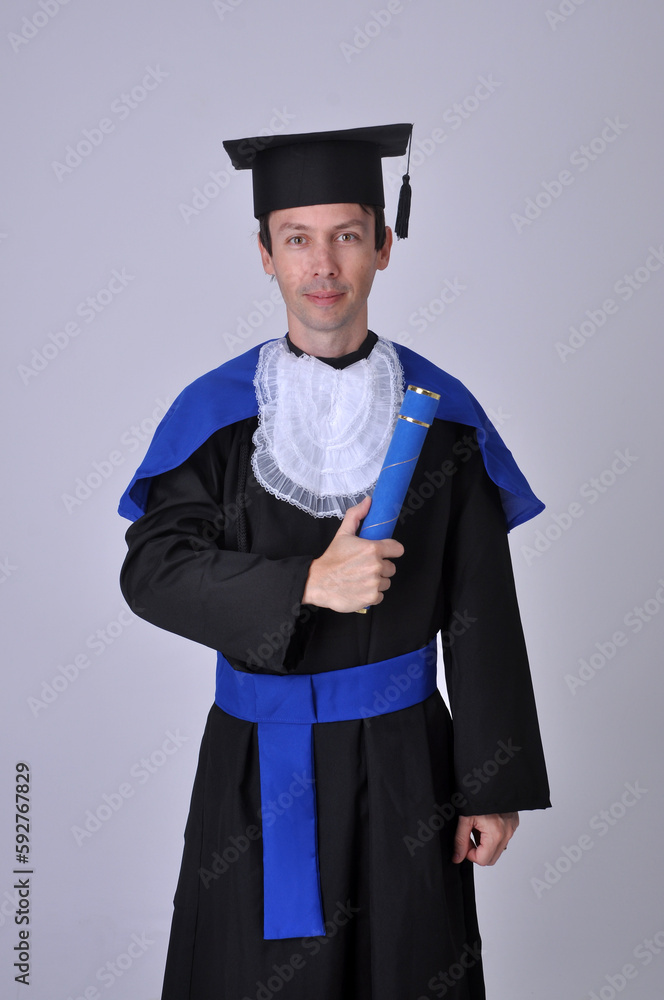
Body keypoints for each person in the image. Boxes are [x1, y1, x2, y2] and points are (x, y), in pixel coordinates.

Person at [118, 123, 550, 1000]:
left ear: (383, 247)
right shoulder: (217, 417)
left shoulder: (440, 419)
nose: (323, 264)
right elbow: (152, 570)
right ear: (266, 255)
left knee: (405, 972)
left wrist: (490, 782)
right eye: (297, 239)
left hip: (406, 770)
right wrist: (308, 584)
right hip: (255, 772)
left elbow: (483, 607)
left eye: (347, 236)